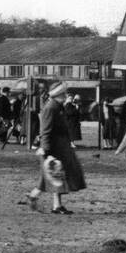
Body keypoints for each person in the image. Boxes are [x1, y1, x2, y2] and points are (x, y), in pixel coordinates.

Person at [26, 82, 87, 214]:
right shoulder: (51, 108)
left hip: (59, 147)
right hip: (54, 148)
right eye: (63, 93)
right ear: (58, 94)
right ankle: (43, 200)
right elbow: (45, 130)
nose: (66, 95)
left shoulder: (57, 106)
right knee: (55, 176)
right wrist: (46, 149)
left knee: (55, 177)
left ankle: (51, 203)